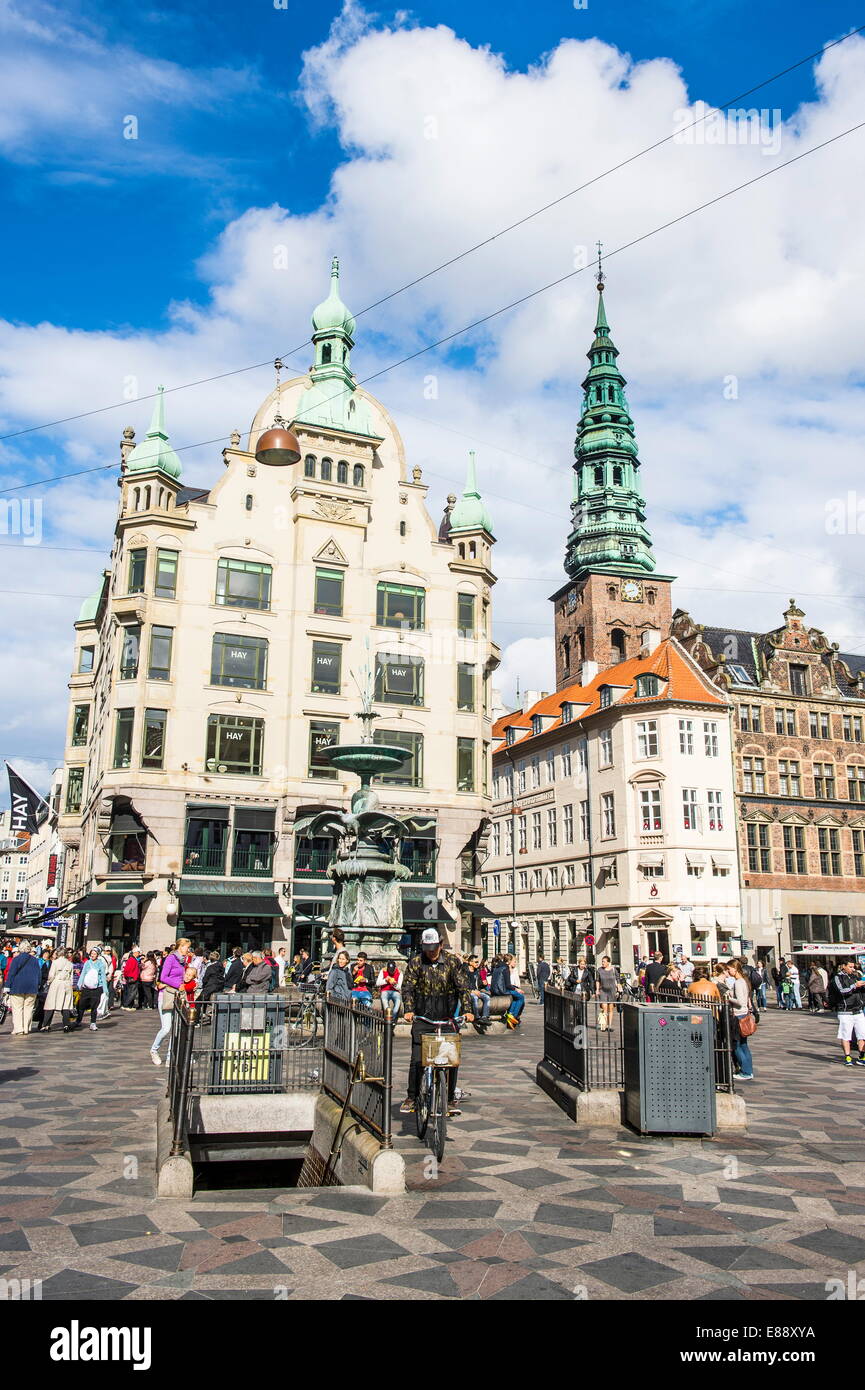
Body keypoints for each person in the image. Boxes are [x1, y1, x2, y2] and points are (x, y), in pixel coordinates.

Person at [400, 928, 474, 1116]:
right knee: (417, 1059)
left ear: (441, 945)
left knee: (451, 1059)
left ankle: (449, 1099)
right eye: (427, 948)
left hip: (446, 1017)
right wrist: (409, 1010)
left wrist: (467, 1010)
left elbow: (463, 988)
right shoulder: (416, 962)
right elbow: (407, 987)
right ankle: (412, 1096)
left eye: (434, 948)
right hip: (423, 1016)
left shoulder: (451, 962)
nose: (431, 953)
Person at [150, 939, 189, 1065]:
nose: (188, 950)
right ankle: (154, 1050)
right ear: (180, 947)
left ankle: (169, 1057)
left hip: (177, 995)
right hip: (166, 995)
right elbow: (163, 977)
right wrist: (178, 984)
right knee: (166, 1028)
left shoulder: (183, 961)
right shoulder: (171, 958)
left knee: (175, 1029)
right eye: (186, 947)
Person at [830, 960, 865, 1067]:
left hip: (858, 1010)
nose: (852, 969)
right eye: (850, 967)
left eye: (853, 967)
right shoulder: (837, 977)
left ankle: (862, 1056)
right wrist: (855, 985)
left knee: (862, 1035)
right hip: (845, 1011)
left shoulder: (855, 976)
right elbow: (842, 991)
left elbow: (861, 991)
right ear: (843, 966)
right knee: (846, 1035)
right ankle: (848, 1056)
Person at [725, 959, 755, 1080]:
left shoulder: (738, 982)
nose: (728, 971)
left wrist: (728, 998)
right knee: (743, 1045)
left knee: (736, 1045)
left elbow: (741, 1002)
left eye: (729, 969)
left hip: (739, 1015)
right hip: (744, 1015)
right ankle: (748, 1070)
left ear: (735, 968)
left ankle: (745, 1071)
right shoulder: (744, 981)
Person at [7, 941, 43, 1037]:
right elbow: (39, 974)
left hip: (17, 987)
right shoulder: (35, 960)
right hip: (32, 987)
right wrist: (38, 984)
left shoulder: (16, 959)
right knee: (29, 1008)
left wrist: (7, 986)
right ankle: (26, 1028)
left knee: (17, 1008)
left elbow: (11, 973)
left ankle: (19, 1029)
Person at [41, 948, 75, 1032]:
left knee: (51, 1004)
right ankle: (66, 1025)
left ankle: (46, 1025)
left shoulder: (55, 962)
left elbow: (51, 975)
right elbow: (71, 977)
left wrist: (49, 982)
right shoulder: (70, 964)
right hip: (67, 984)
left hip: (56, 983)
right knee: (66, 1005)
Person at [76, 949, 109, 1030]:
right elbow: (83, 973)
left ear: (98, 955)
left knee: (94, 1006)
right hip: (86, 987)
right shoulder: (87, 963)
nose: (93, 955)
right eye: (92, 953)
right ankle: (78, 1020)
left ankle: (93, 1023)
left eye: (94, 954)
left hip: (97, 988)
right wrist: (79, 984)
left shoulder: (100, 964)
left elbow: (103, 977)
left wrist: (105, 989)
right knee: (81, 1005)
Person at [491, 954, 524, 1029]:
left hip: (495, 990)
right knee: (521, 997)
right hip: (502, 990)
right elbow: (508, 985)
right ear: (509, 961)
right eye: (514, 961)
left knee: (516, 996)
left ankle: (510, 1014)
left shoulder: (498, 967)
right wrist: (517, 989)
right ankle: (513, 1016)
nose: (515, 963)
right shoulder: (505, 969)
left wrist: (515, 988)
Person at [595, 955, 620, 1030]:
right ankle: (604, 1025)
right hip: (603, 991)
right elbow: (597, 980)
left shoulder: (613, 970)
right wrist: (597, 989)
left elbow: (618, 979)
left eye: (604, 962)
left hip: (612, 991)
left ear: (608, 962)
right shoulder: (599, 970)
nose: (602, 963)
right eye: (602, 961)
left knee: (610, 1009)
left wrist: (618, 989)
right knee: (604, 1007)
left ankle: (610, 1025)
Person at [464, 954, 490, 1027]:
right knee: (474, 998)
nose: (477, 963)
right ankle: (477, 1017)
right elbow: (463, 984)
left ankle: (485, 1017)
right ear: (470, 963)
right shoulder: (465, 971)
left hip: (476, 990)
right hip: (469, 991)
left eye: (478, 962)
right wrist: (472, 991)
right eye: (476, 962)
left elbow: (478, 983)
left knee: (487, 997)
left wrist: (483, 984)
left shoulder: (476, 971)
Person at [198, 952, 225, 1021]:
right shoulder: (221, 966)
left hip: (211, 986)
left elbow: (205, 979)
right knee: (206, 999)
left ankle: (196, 1019)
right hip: (219, 987)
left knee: (198, 1001)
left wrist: (203, 985)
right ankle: (204, 1013)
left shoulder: (210, 967)